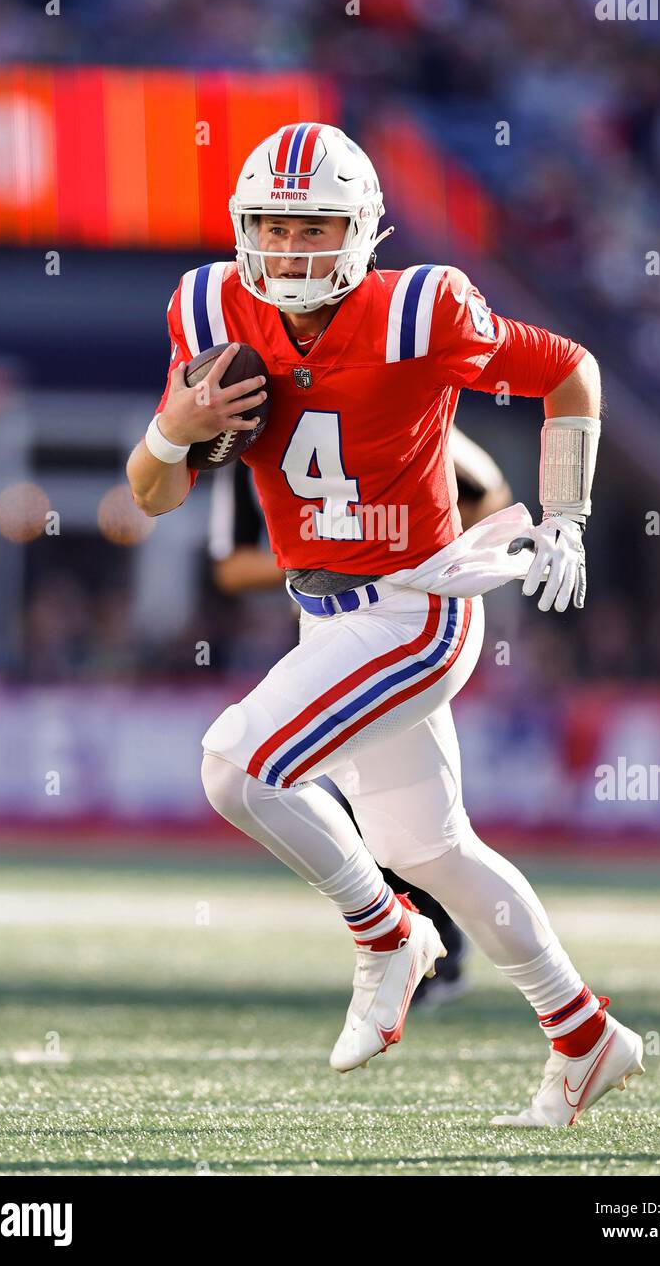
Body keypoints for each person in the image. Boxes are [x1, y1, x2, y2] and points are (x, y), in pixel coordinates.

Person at [126, 122, 645, 1127]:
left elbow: (568, 369)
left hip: (414, 608)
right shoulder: (207, 307)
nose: (289, 249)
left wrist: (567, 514)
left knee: (236, 767)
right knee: (432, 846)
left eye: (314, 224)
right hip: (318, 617)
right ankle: (584, 1035)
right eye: (272, 227)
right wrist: (169, 433)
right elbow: (150, 497)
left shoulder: (420, 307)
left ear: (363, 227)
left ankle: (385, 936)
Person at [208, 426, 513, 1009]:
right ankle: (414, 941)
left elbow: (488, 494)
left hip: (405, 621)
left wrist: (401, 547)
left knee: (400, 811)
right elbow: (232, 567)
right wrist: (320, 555)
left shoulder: (385, 399)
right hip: (316, 624)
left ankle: (421, 943)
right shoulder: (243, 444)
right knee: (361, 798)